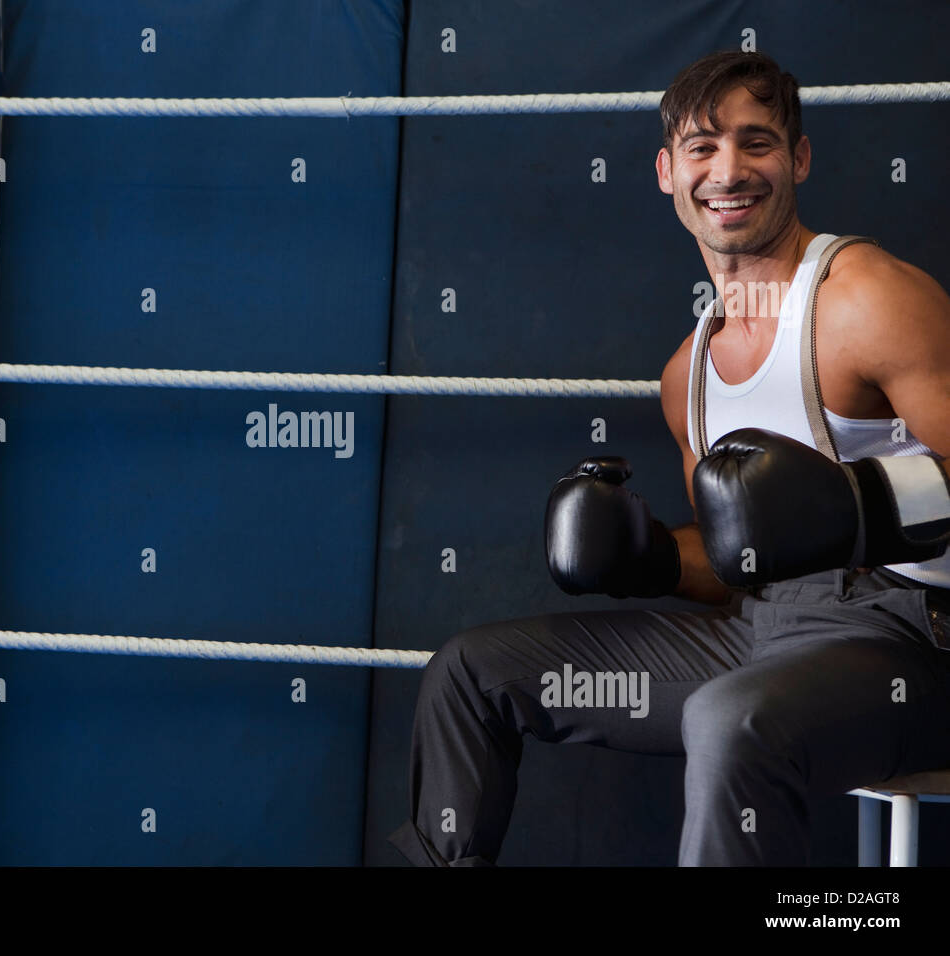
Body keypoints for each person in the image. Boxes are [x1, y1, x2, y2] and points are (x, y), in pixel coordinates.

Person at [388, 49, 950, 867]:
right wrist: (649, 556)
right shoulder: (687, 376)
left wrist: (857, 508)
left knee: (731, 718)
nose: (729, 170)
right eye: (702, 147)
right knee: (471, 673)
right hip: (769, 636)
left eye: (757, 143)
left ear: (797, 159)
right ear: (666, 172)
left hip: (916, 645)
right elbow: (735, 572)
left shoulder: (865, 299)